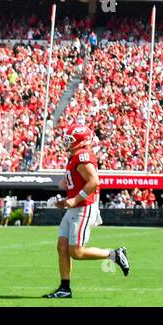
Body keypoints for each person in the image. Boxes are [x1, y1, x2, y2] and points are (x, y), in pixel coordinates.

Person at [43, 125, 128, 299]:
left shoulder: (83, 156)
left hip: (83, 207)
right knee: (62, 246)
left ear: (81, 141)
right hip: (73, 208)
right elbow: (76, 182)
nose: (67, 142)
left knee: (77, 252)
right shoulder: (74, 157)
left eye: (71, 140)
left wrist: (74, 199)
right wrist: (65, 193)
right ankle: (64, 288)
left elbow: (94, 181)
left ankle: (114, 254)